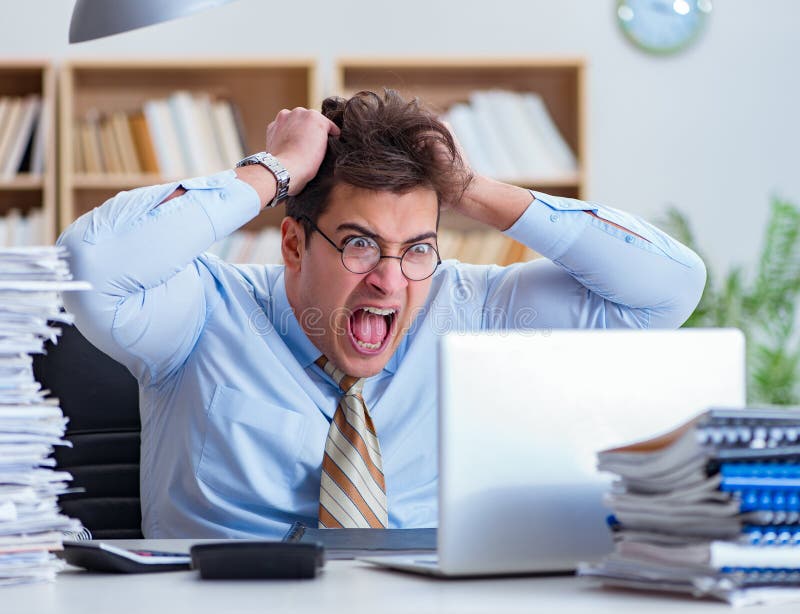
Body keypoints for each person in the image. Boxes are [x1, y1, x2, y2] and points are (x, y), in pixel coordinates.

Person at [58, 90, 706, 538]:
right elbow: (91, 265)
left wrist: (468, 189)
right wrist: (275, 169)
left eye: (417, 248)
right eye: (360, 243)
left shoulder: (472, 311)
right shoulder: (201, 313)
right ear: (292, 244)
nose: (390, 281)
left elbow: (666, 290)